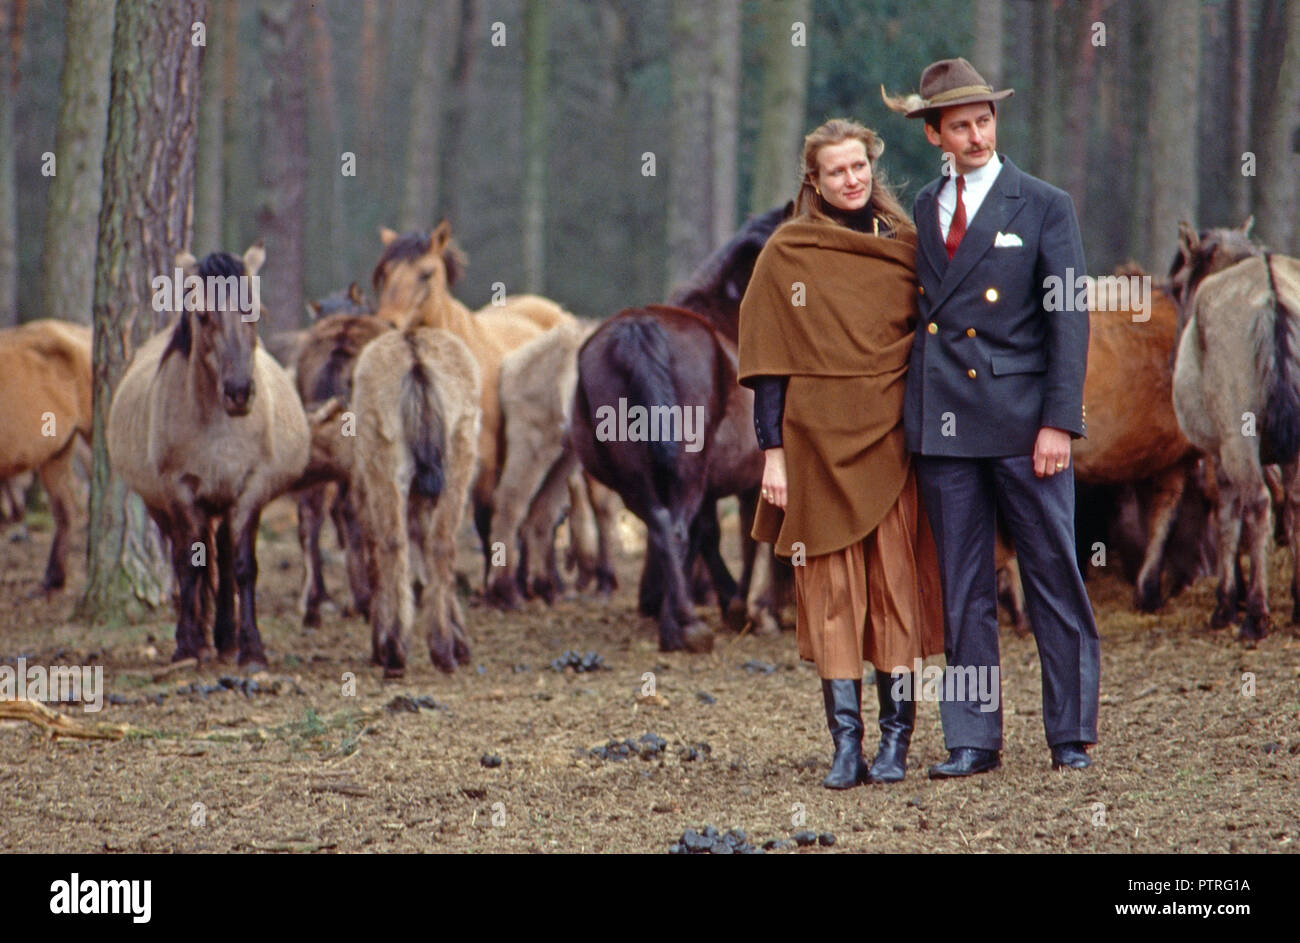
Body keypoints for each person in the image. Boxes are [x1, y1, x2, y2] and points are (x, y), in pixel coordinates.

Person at [883, 57, 1100, 777]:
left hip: (1022, 420)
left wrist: (1058, 422)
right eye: (959, 126)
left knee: (1054, 575)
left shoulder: (1042, 204)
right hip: (944, 425)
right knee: (963, 586)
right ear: (935, 136)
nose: (975, 135)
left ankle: (1071, 733)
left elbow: (1068, 316)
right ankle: (973, 737)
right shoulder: (920, 209)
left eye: (984, 120)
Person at [738, 118, 943, 789]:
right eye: (836, 171)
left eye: (858, 167)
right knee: (830, 594)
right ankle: (845, 745)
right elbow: (768, 361)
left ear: (870, 167)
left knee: (893, 587)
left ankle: (895, 741)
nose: (850, 180)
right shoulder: (788, 251)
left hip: (890, 437)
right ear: (815, 180)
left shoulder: (906, 248)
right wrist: (772, 454)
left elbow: (940, 339)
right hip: (813, 443)